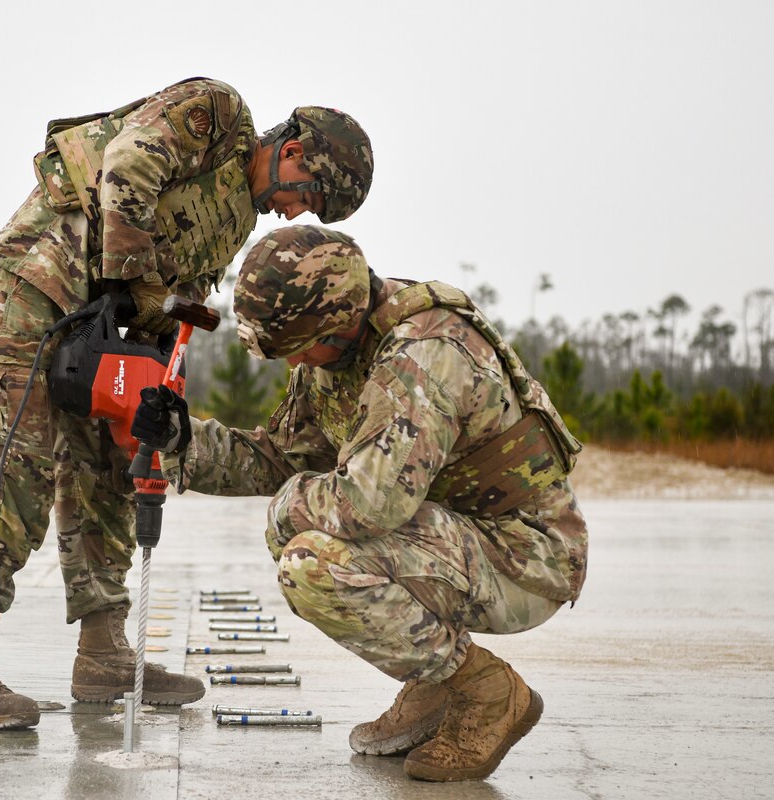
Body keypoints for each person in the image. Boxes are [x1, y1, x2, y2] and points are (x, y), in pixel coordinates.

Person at [0, 78, 374, 731]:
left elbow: (171, 302)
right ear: (295, 150)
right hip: (37, 288)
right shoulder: (217, 116)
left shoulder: (236, 221)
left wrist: (153, 389)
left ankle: (105, 651)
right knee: (11, 470)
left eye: (312, 210)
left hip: (99, 326)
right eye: (308, 195)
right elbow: (128, 165)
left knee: (111, 468)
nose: (296, 212)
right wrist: (135, 283)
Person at [131, 225, 588, 782]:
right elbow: (283, 456)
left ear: (334, 321)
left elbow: (368, 505)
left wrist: (287, 505)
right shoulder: (340, 353)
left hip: (526, 556)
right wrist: (186, 441)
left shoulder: (425, 352)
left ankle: (485, 690)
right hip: (455, 535)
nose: (292, 365)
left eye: (294, 348)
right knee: (305, 534)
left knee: (312, 562)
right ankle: (437, 684)